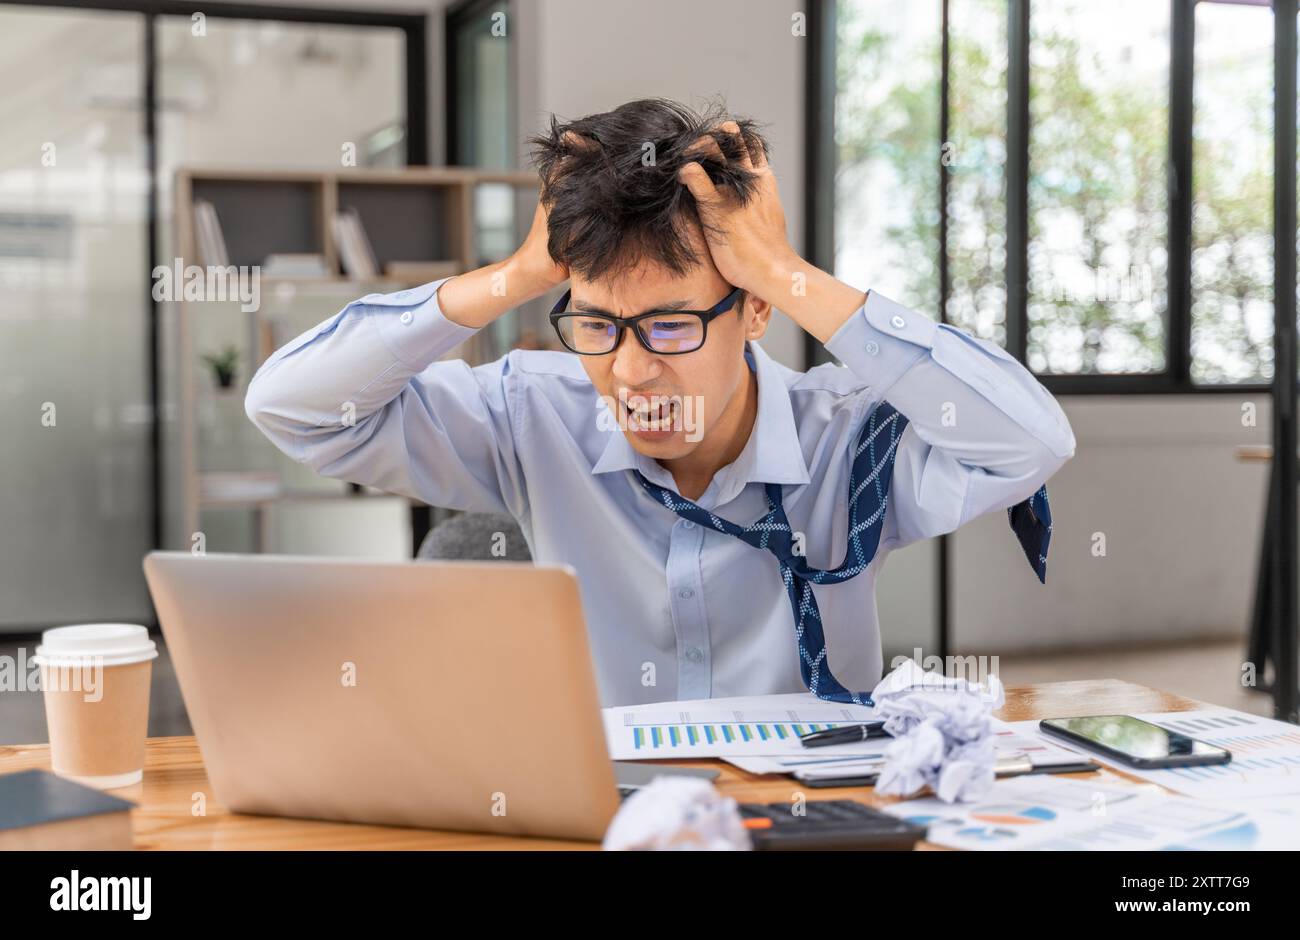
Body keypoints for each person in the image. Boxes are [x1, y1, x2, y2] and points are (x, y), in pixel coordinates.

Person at [244, 98, 1075, 708]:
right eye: (598, 325)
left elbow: (1029, 442)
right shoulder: (534, 416)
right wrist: (516, 277)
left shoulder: (847, 442)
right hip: (601, 817)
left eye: (670, 326)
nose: (631, 373)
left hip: (805, 817)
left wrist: (787, 272)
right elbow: (293, 407)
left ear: (752, 308)